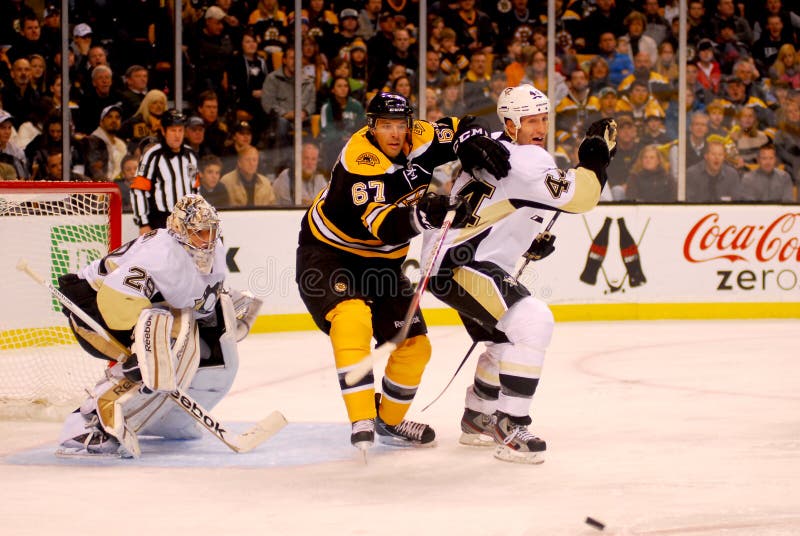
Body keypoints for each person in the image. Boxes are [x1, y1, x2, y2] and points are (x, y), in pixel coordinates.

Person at [294, 92, 510, 452]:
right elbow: (384, 226)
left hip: (384, 264)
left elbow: (462, 126)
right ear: (371, 127)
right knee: (352, 318)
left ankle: (389, 421)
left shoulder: (421, 136)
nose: (394, 134)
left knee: (415, 347)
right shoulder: (360, 161)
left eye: (399, 125)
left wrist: (474, 139)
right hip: (330, 254)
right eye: (385, 126)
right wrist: (422, 215)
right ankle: (361, 416)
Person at [426, 85, 616, 464]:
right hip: (461, 262)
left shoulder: (493, 145)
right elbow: (582, 198)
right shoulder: (528, 158)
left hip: (458, 258)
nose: (540, 127)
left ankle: (479, 415)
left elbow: (503, 205)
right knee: (532, 321)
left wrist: (527, 243)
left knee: (505, 339)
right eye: (531, 120)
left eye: (544, 118)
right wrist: (596, 160)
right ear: (510, 123)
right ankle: (510, 424)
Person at [55, 194, 260, 457]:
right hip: (91, 303)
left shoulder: (213, 248)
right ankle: (83, 425)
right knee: (153, 361)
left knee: (182, 348)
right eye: (198, 233)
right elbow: (115, 299)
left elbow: (199, 296)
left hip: (128, 301)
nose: (206, 240)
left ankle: (170, 421)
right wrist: (141, 348)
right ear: (179, 231)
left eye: (210, 231)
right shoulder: (160, 255)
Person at [130, 109, 199, 234]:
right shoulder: (153, 156)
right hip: (160, 221)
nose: (177, 135)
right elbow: (138, 190)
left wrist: (196, 216)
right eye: (173, 130)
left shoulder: (191, 155)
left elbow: (195, 188)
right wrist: (143, 223)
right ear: (163, 131)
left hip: (187, 221)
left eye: (180, 130)